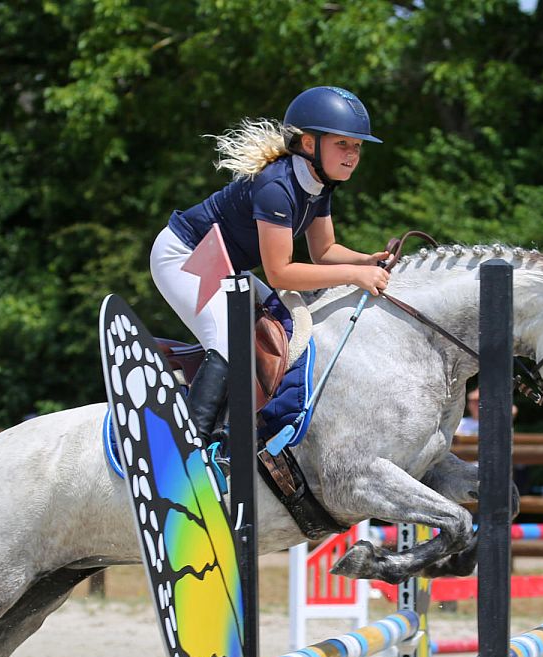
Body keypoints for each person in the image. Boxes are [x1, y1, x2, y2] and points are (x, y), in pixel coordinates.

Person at [149, 86, 390, 451]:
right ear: (309, 144)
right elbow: (280, 274)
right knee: (228, 342)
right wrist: (355, 275)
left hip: (223, 265)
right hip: (185, 258)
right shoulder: (277, 186)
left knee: (288, 327)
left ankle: (242, 425)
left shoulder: (319, 184)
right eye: (342, 144)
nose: (352, 154)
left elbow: (324, 252)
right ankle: (190, 446)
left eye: (357, 146)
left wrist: (365, 260)